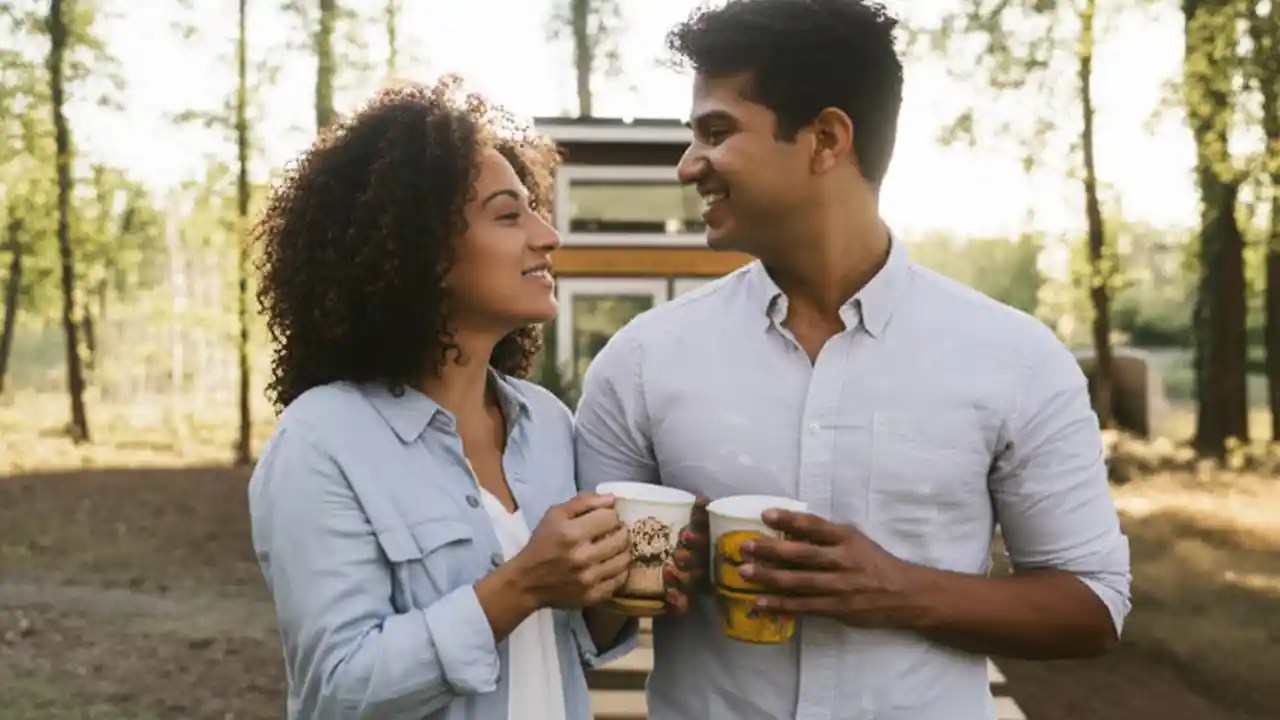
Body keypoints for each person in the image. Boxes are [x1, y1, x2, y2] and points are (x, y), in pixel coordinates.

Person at [575, 1, 1132, 718]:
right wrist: (631, 578)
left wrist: (894, 589)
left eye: (716, 132)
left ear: (826, 138)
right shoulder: (642, 361)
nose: (688, 167)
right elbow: (589, 621)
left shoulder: (1016, 360)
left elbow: (1092, 606)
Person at [247, 77, 635, 720]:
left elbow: (564, 640)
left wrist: (622, 584)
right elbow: (338, 690)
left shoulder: (546, 423)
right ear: (424, 252)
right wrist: (522, 584)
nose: (548, 237)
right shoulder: (321, 441)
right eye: (509, 215)